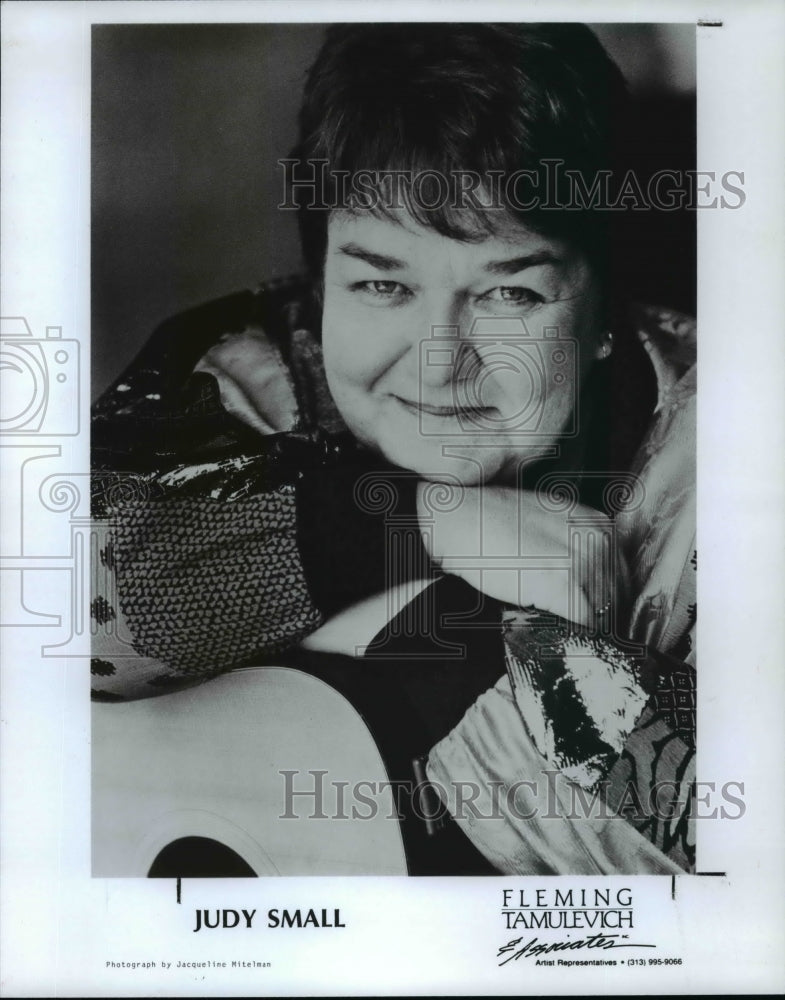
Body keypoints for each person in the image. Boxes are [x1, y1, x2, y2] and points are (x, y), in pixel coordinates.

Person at [91, 23, 696, 875]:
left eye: (510, 292)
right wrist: (417, 529)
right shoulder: (248, 366)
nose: (440, 360)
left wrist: (519, 663)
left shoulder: (733, 452)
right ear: (321, 281)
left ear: (604, 314)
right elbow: (66, 605)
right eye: (382, 284)